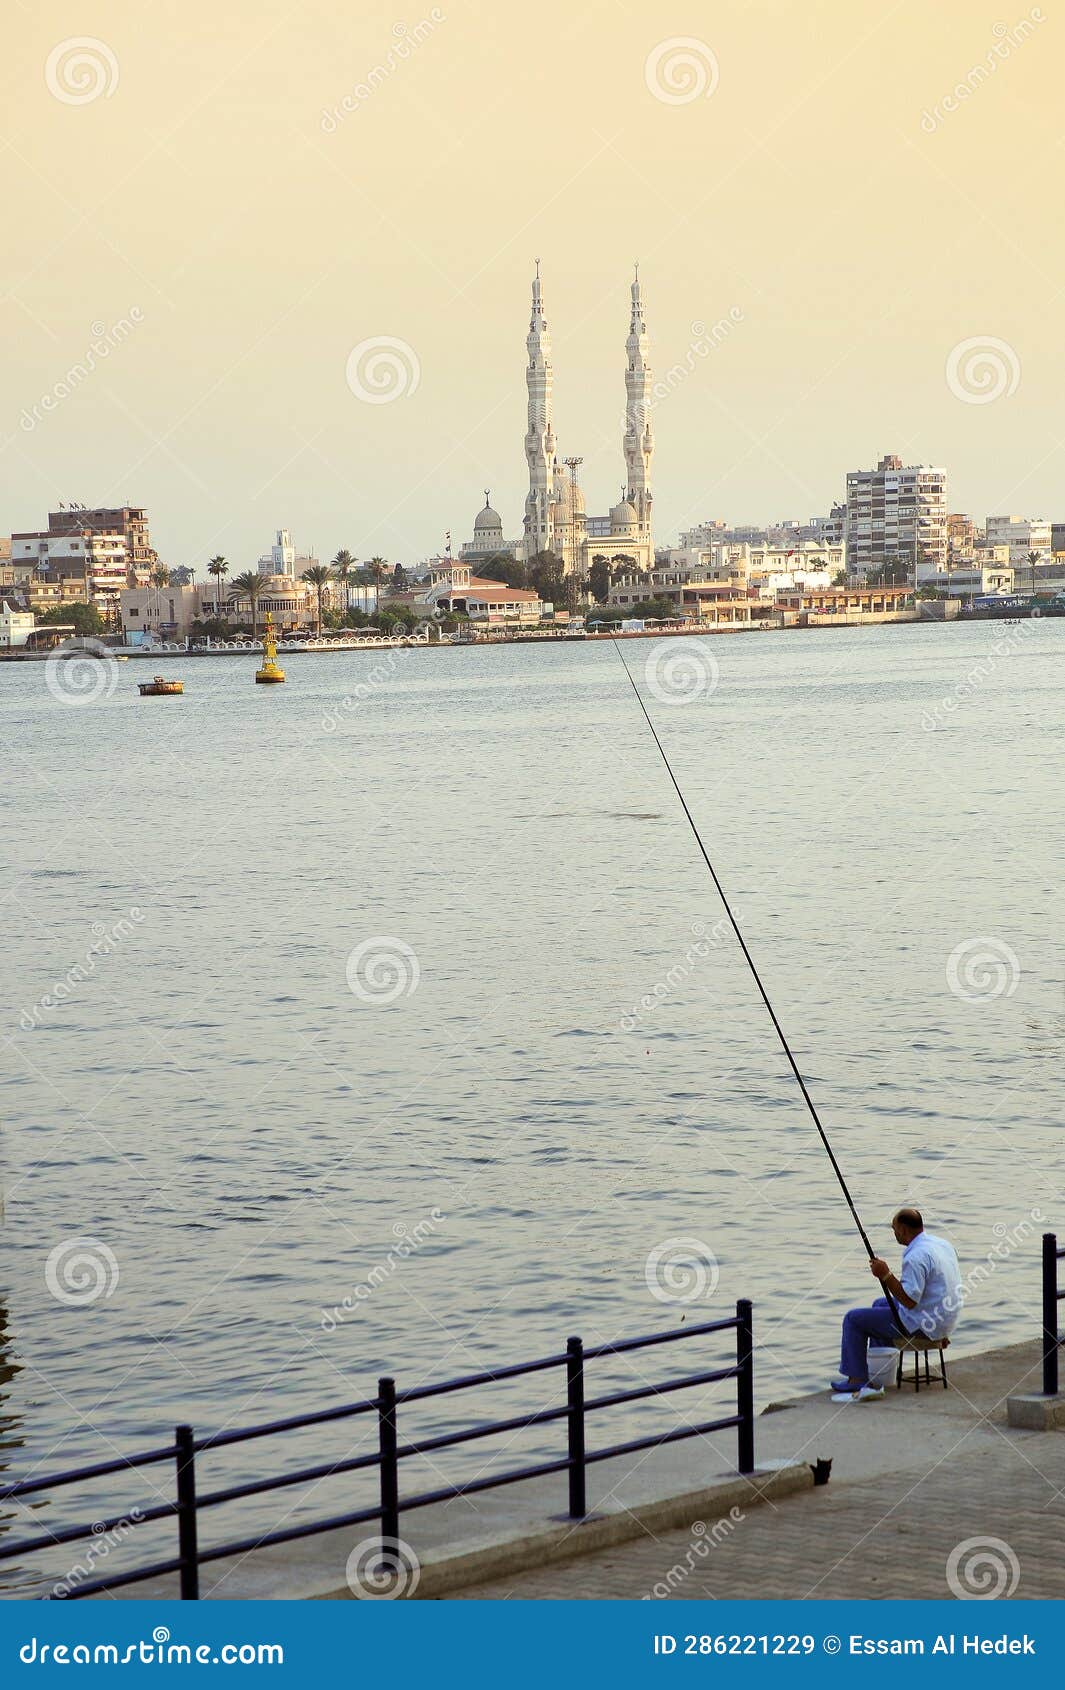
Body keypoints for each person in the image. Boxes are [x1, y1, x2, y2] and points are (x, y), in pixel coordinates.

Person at [830, 1207, 962, 1401]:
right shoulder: (942, 1244)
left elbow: (909, 1301)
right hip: (944, 1319)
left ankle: (856, 1379)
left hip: (924, 1325)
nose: (894, 1233)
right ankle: (881, 1374)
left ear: (903, 1230)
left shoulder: (915, 1256)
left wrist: (885, 1275)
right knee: (879, 1304)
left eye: (894, 1229)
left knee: (853, 1319)